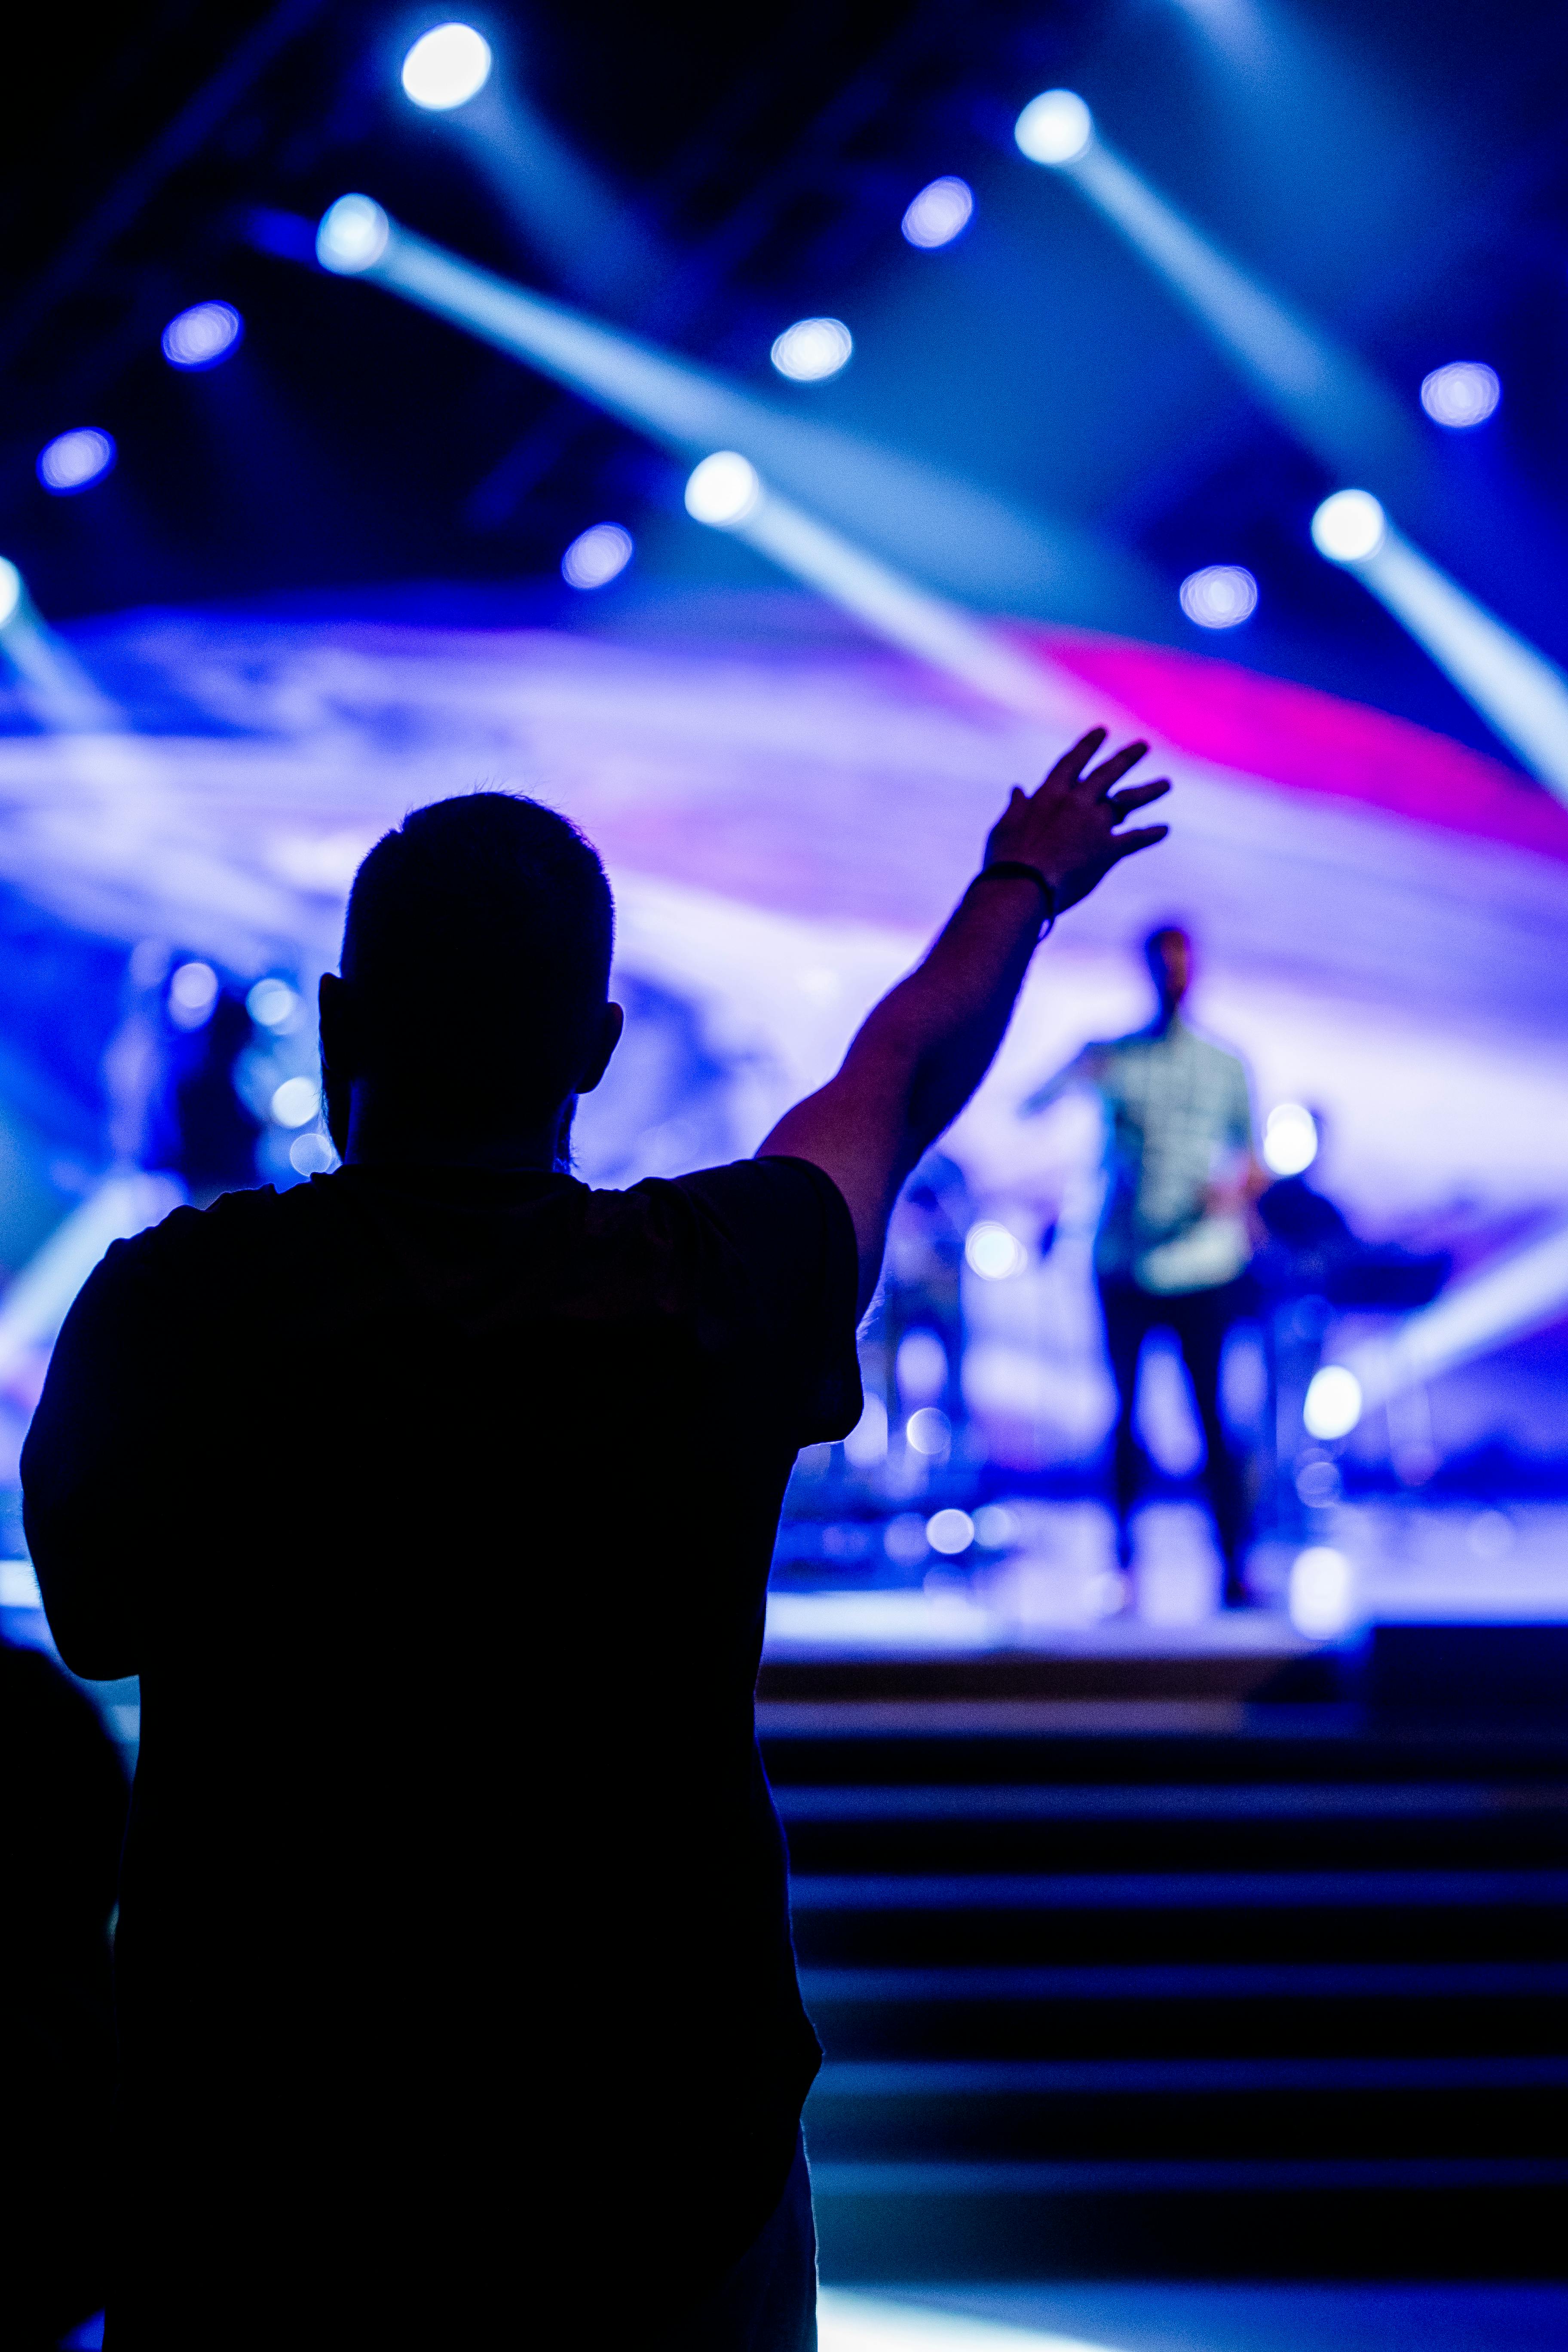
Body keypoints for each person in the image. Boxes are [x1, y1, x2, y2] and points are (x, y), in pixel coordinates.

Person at [21, 727, 1167, 2350]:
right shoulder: (716, 1280)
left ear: (341, 1020)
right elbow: (896, 1077)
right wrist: (1021, 880)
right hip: (661, 2177)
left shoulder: (174, 1304)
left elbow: (91, 1620)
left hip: (273, 2185)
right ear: (599, 1044)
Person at [1020, 925, 1260, 1605]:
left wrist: (1232, 1190)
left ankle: (1234, 1567)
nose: (1173, 978)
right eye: (1163, 966)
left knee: (1212, 1416)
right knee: (1124, 1416)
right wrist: (1078, 1067)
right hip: (1123, 1264)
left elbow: (1252, 1158)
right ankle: (1123, 1565)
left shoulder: (1224, 1065)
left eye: (1182, 966)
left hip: (1202, 1265)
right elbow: (1033, 1107)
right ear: (1149, 972)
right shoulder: (1113, 1057)